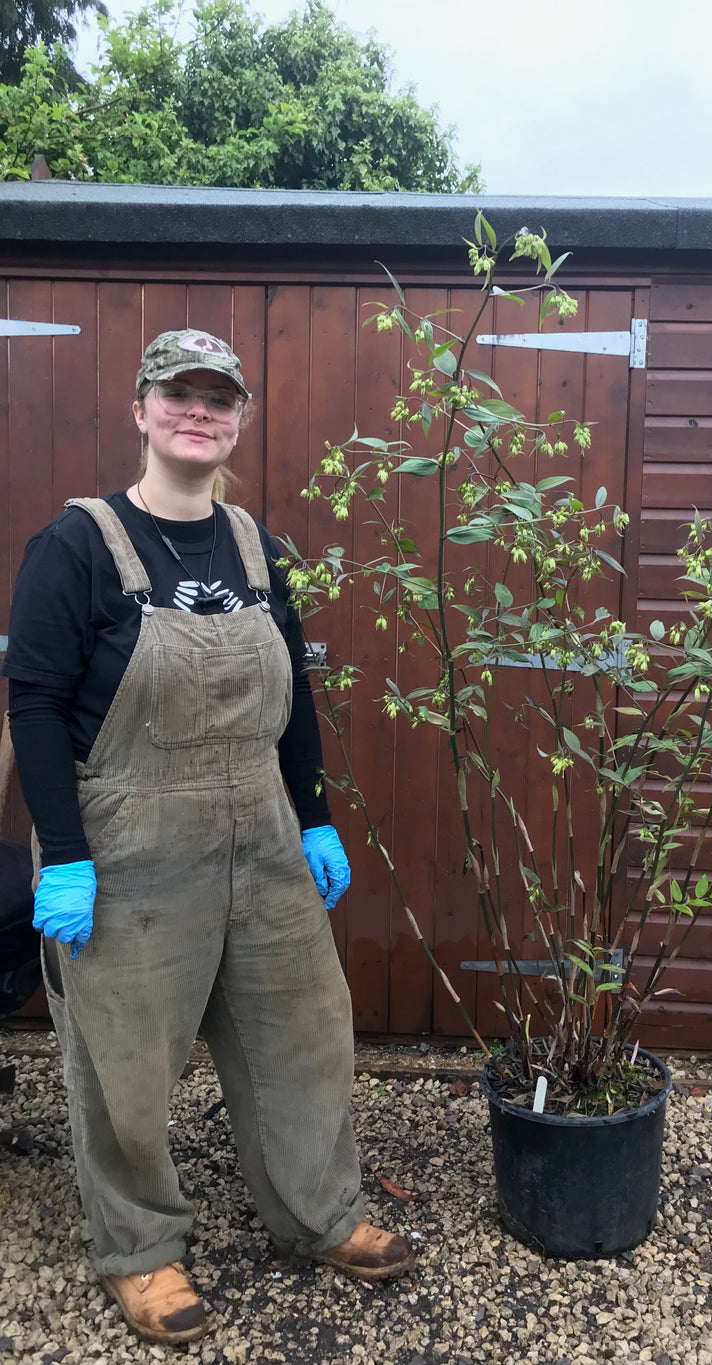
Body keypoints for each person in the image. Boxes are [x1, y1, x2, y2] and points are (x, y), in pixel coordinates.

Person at [1, 329, 414, 1346]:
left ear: (239, 419)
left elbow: (296, 695)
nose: (199, 411)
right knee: (126, 1064)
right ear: (141, 410)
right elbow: (37, 704)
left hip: (263, 835)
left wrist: (313, 816)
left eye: (218, 398)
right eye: (178, 394)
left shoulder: (255, 547)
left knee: (303, 1038)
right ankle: (139, 1252)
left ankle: (316, 1213)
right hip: (130, 837)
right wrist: (66, 852)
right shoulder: (77, 544)